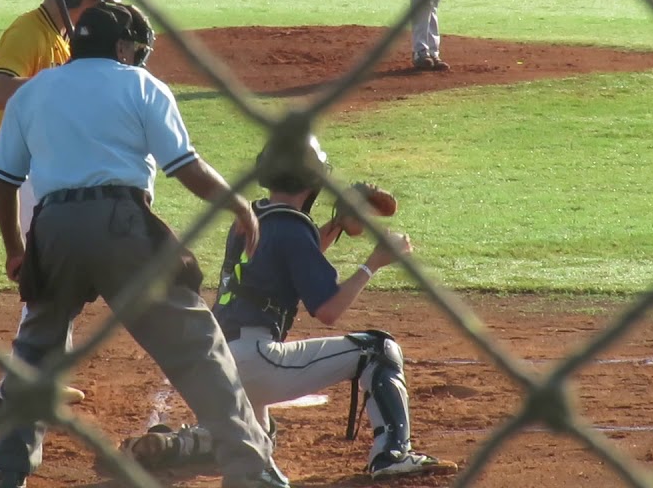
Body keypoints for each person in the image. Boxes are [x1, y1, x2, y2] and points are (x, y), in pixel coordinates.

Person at [0, 1, 290, 488]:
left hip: (54, 227)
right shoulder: (142, 86)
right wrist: (238, 205)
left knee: (37, 353)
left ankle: (8, 472)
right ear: (122, 46)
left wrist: (15, 248)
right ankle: (253, 472)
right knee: (197, 347)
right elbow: (184, 167)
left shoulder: (33, 92)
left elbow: (3, 181)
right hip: (120, 224)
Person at [118, 136, 458, 480]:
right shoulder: (293, 230)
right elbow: (328, 310)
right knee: (379, 350)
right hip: (258, 360)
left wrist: (338, 224)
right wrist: (375, 262)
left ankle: (179, 447)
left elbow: (291, 257)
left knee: (257, 440)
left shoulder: (251, 218)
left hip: (217, 362)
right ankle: (393, 454)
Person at [0, 0, 118, 405]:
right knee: (50, 278)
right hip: (17, 174)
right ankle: (16, 387)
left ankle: (43, 375)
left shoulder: (63, 34)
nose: (101, 7)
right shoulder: (29, 33)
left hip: (42, 172)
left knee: (58, 275)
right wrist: (55, 82)